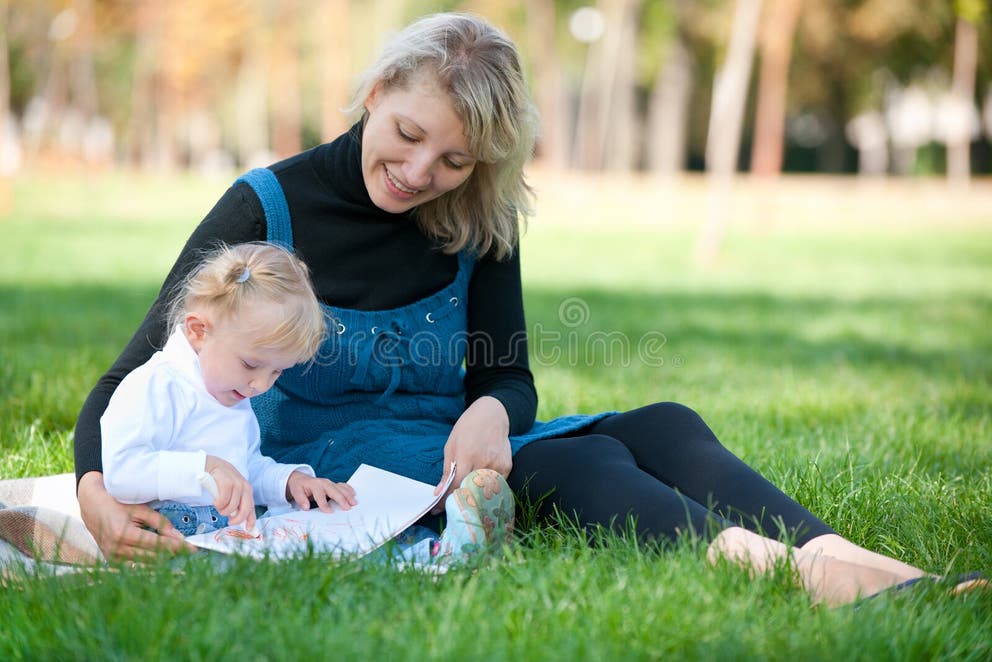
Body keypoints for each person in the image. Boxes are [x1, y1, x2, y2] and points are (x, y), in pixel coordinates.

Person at [71, 12, 981, 605]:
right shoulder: (262, 208)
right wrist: (93, 492)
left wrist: (491, 409)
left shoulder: (475, 218)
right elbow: (131, 373)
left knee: (663, 421)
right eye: (409, 135)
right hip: (344, 469)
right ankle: (809, 580)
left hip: (454, 439)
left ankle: (885, 570)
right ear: (376, 95)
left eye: (455, 161)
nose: (421, 174)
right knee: (581, 466)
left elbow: (508, 373)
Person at [99, 241, 356, 537]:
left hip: (222, 535)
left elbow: (244, 470)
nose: (260, 384)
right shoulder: (158, 386)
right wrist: (206, 468)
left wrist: (289, 482)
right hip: (165, 536)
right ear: (199, 331)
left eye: (277, 371)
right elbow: (122, 472)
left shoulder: (230, 393)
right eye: (250, 364)